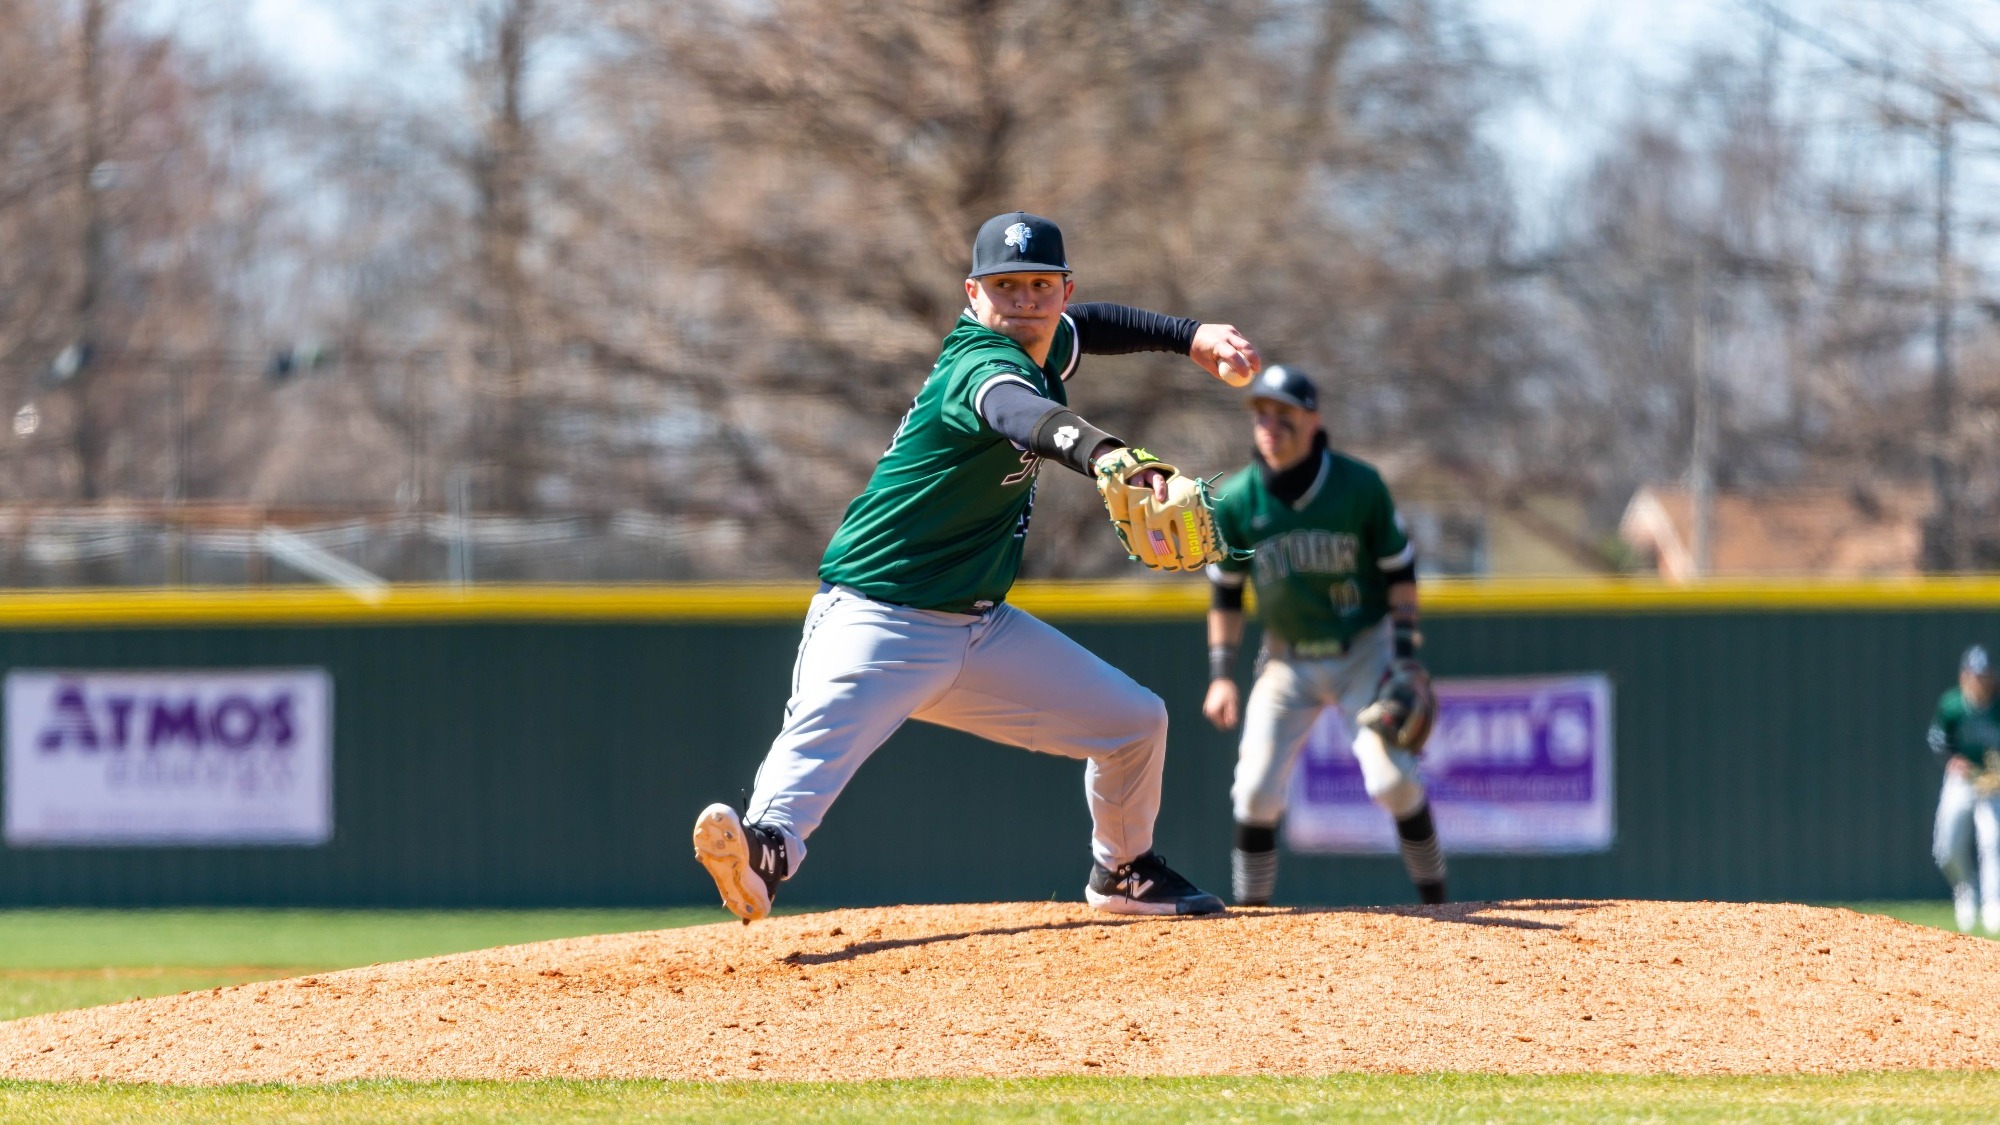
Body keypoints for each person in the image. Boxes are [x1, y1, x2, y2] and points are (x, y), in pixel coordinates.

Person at [692, 211, 1262, 922]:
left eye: (1038, 285)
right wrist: (1108, 453)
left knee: (1136, 722)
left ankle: (1124, 871)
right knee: (815, 742)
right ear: (972, 294)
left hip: (981, 629)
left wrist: (1191, 336)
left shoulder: (1048, 340)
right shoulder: (981, 366)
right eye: (1005, 286)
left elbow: (1100, 325)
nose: (1023, 300)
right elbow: (1023, 415)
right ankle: (763, 853)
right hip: (879, 613)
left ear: (1062, 289)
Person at [1201, 365, 1445, 907]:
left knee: (1392, 782)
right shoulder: (1238, 500)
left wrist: (1404, 658)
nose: (1268, 423)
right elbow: (1225, 592)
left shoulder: (1359, 486)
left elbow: (1400, 573)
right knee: (1255, 791)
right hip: (1287, 661)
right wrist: (1221, 676)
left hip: (1363, 650)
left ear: (1313, 419)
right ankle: (1250, 915)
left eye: (1282, 413)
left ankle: (1438, 900)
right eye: (1261, 413)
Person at [1929, 643, 2000, 934]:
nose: (1979, 680)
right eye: (1974, 675)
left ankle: (1993, 904)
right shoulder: (1952, 705)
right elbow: (1937, 740)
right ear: (1964, 676)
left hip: (1992, 783)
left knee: (1992, 840)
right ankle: (1965, 888)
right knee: (1945, 848)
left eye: (1983, 675)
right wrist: (1952, 759)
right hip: (1962, 781)